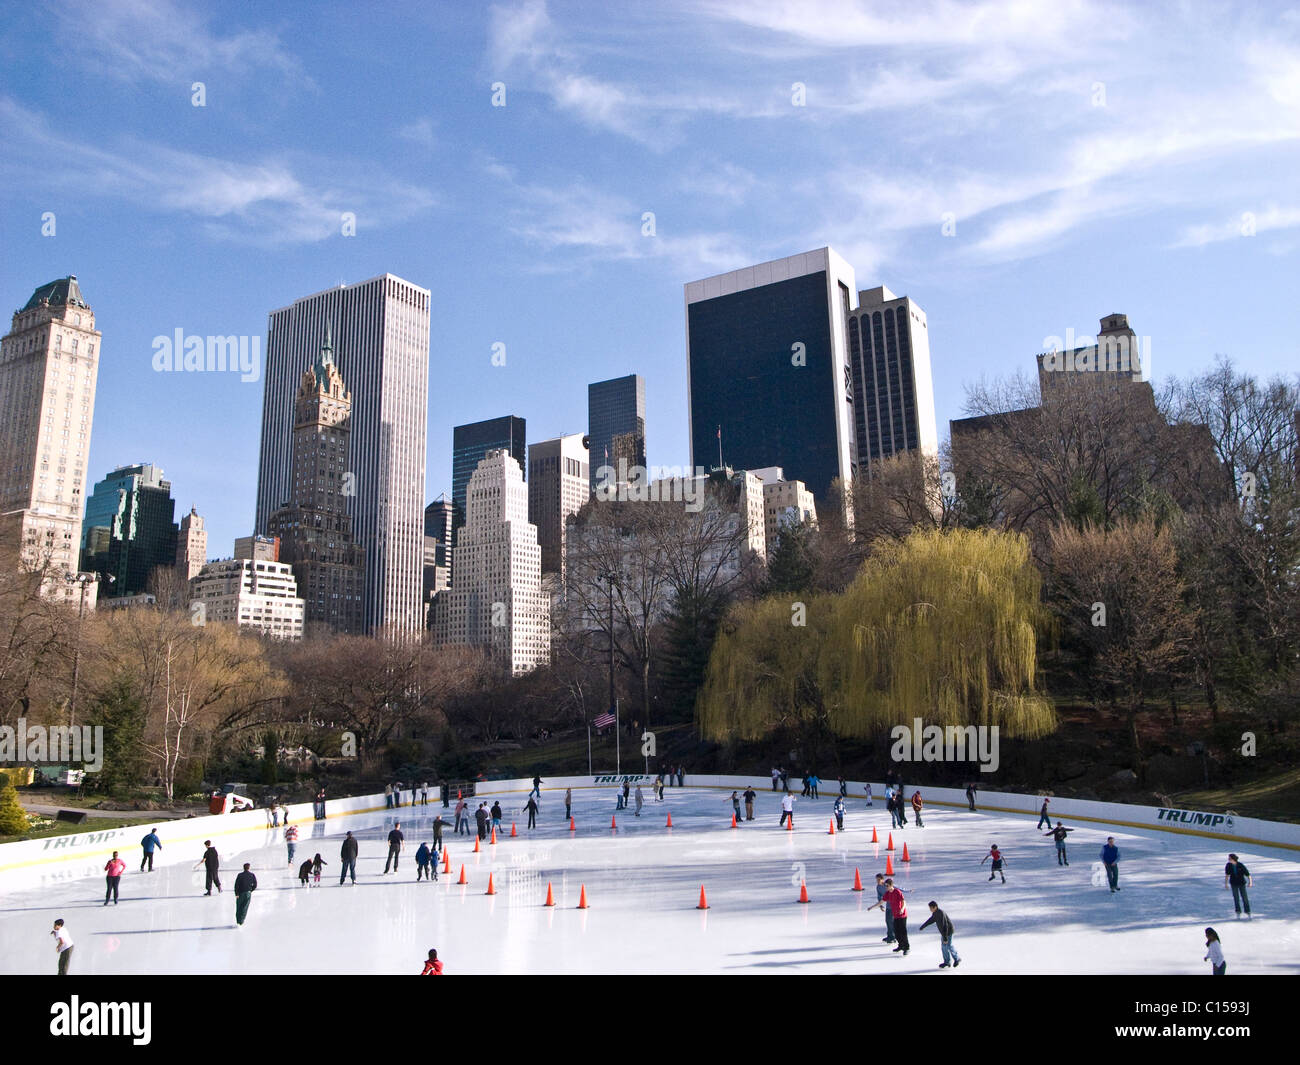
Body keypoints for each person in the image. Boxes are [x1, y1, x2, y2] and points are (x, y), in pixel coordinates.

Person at [867, 879, 909, 955]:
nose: (885, 887)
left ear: (891, 885)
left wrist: (902, 909)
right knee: (896, 932)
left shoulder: (897, 892)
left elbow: (904, 902)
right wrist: (872, 907)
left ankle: (906, 948)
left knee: (903, 932)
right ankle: (901, 946)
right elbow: (881, 902)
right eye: (885, 885)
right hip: (895, 915)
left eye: (887, 886)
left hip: (902, 915)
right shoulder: (888, 894)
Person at [919, 901, 961, 969]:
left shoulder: (941, 913)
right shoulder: (935, 913)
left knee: (949, 945)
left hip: (948, 931)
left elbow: (945, 925)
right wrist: (923, 926)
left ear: (935, 907)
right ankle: (947, 962)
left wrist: (945, 938)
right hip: (944, 932)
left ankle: (957, 958)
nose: (930, 910)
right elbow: (931, 920)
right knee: (944, 947)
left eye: (930, 908)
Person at [872, 874, 895, 944]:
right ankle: (890, 936)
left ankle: (893, 937)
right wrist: (881, 906)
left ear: (882, 879)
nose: (877, 881)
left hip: (894, 906)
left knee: (891, 921)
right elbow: (879, 897)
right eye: (876, 880)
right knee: (888, 921)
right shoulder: (878, 887)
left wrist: (908, 890)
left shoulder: (887, 885)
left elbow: (897, 888)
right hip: (888, 906)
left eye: (878, 879)